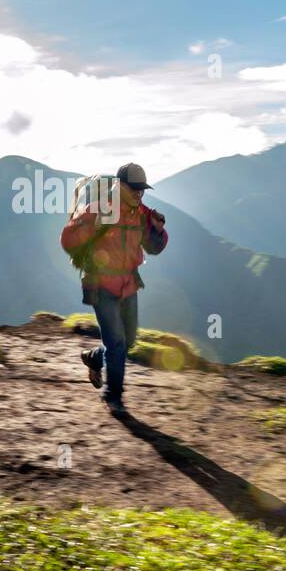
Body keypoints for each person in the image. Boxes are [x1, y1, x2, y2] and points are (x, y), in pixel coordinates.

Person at [59, 163, 168, 415]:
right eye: (134, 189)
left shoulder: (142, 214)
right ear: (119, 186)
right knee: (117, 342)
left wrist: (159, 232)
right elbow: (67, 240)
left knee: (128, 340)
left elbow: (154, 248)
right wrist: (94, 225)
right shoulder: (100, 209)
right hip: (101, 285)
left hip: (129, 284)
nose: (139, 194)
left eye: (142, 189)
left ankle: (94, 358)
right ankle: (113, 397)